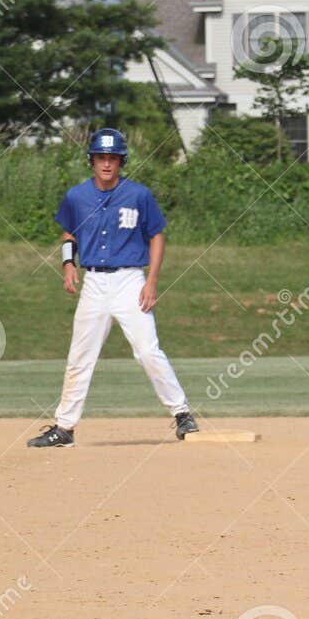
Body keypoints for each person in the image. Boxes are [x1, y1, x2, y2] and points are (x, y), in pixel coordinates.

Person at [29, 128, 197, 447]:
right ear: (92, 160)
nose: (107, 163)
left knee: (147, 349)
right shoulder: (77, 196)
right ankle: (64, 428)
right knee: (80, 355)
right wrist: (68, 265)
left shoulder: (138, 195)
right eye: (101, 157)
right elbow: (69, 235)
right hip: (93, 282)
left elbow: (157, 235)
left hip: (130, 281)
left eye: (113, 158)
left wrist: (152, 281)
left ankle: (182, 413)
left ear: (121, 162)